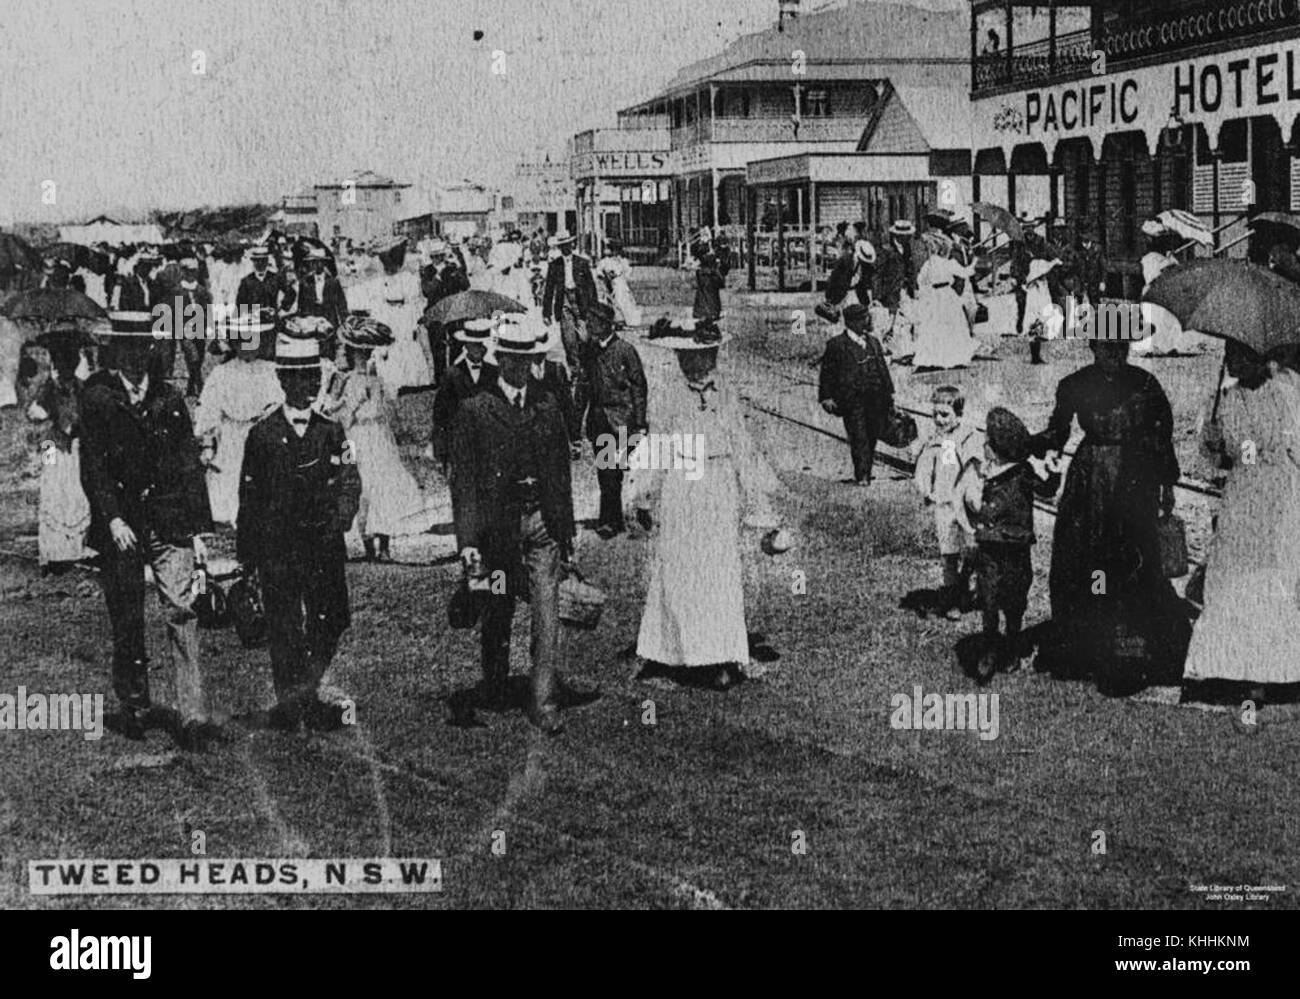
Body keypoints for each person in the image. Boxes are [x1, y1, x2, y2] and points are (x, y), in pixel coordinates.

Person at [79, 311, 218, 749]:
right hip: (122, 525)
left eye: (144, 347)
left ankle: (192, 715)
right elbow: (94, 467)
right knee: (127, 618)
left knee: (182, 610)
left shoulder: (170, 399)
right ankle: (136, 702)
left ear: (152, 349)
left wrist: (197, 530)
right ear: (116, 351)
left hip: (167, 520)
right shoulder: (98, 397)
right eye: (128, 347)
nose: (137, 355)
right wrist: (113, 518)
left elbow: (187, 467)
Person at [1028, 338, 1191, 692]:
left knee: (1131, 560)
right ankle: (1088, 645)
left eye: (1121, 348)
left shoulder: (1146, 384)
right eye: (1107, 348)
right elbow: (1058, 431)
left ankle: (1130, 650)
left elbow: (1163, 435)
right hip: (1090, 482)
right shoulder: (1075, 383)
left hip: (1135, 480)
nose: (1114, 356)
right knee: (1089, 561)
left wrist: (1166, 483)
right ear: (1093, 347)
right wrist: (1034, 446)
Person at [630, 324, 785, 690]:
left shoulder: (726, 394)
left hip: (718, 489)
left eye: (701, 356)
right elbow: (656, 446)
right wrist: (641, 495)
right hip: (683, 488)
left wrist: (764, 507)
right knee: (679, 570)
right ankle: (670, 657)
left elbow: (743, 447)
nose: (694, 364)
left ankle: (721, 657)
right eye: (686, 357)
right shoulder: (668, 395)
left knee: (719, 573)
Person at [450, 324, 579, 735]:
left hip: (543, 524)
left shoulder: (548, 407)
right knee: (499, 606)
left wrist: (567, 530)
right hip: (497, 530)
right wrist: (468, 542)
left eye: (528, 358)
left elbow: (562, 472)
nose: (522, 367)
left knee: (546, 613)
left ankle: (544, 701)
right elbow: (464, 481)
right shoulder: (475, 410)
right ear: (499, 360)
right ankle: (494, 683)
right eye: (514, 358)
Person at [237, 331, 361, 734]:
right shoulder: (263, 434)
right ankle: (293, 704)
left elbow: (349, 478)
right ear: (282, 380)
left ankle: (303, 689)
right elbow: (249, 496)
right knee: (284, 623)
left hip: (323, 543)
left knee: (333, 618)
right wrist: (248, 557)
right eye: (296, 377)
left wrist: (341, 515)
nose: (305, 385)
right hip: (279, 546)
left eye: (311, 377)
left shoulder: (332, 430)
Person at [1183, 341, 1300, 697]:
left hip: (1277, 492)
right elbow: (1217, 457)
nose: (1229, 361)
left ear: (1257, 357)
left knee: (1272, 574)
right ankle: (1226, 666)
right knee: (1232, 574)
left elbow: (1288, 443)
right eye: (1227, 354)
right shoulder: (1225, 398)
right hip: (1241, 495)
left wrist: (1245, 447)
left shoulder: (1286, 390)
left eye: (1237, 354)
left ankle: (1272, 669)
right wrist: (1214, 442)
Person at [959, 407, 1058, 681]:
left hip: (1016, 547)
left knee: (1015, 597)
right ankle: (990, 646)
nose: (984, 446)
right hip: (989, 547)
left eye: (988, 442)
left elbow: (1047, 490)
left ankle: (1012, 644)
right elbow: (976, 505)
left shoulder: (1023, 473)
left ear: (1000, 447)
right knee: (988, 598)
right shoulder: (985, 471)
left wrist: (1054, 470)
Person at [333, 317, 441, 559]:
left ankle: (384, 544)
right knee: (362, 487)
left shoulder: (378, 381)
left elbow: (390, 414)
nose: (364, 358)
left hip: (379, 437)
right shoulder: (347, 382)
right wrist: (355, 403)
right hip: (356, 437)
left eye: (366, 353)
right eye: (360, 354)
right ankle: (369, 544)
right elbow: (343, 419)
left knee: (385, 486)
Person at [194, 313, 283, 525]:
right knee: (232, 473)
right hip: (232, 434)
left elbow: (279, 400)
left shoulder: (269, 370)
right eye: (243, 339)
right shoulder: (222, 373)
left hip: (260, 431)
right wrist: (208, 442)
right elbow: (209, 409)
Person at [914, 385, 983, 619]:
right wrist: (927, 490)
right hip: (945, 505)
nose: (939, 420)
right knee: (949, 553)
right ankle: (952, 598)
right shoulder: (936, 442)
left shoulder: (969, 437)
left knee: (975, 549)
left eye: (944, 415)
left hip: (968, 505)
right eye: (935, 414)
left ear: (959, 415)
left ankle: (969, 585)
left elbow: (978, 466)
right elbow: (925, 470)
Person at [26, 329, 92, 571]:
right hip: (52, 443)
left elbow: (87, 413)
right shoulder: (48, 388)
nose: (66, 367)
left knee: (75, 488)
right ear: (55, 362)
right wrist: (50, 414)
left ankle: (75, 545)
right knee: (54, 485)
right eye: (61, 361)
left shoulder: (81, 387)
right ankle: (54, 549)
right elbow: (34, 415)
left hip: (74, 444)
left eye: (70, 361)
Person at [583, 301, 648, 538]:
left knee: (615, 471)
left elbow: (639, 388)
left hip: (622, 419)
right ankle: (611, 519)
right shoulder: (589, 351)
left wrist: (639, 423)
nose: (589, 326)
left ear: (606, 325)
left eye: (593, 323)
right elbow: (585, 386)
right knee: (606, 472)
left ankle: (615, 519)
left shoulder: (625, 350)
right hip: (599, 419)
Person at [818, 302, 893, 486]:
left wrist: (890, 395)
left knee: (872, 434)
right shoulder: (837, 345)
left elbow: (883, 370)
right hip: (852, 401)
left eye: (866, 317)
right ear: (851, 322)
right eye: (863, 319)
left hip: (876, 398)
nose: (867, 321)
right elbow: (827, 373)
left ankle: (866, 470)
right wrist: (826, 397)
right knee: (858, 436)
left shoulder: (873, 342)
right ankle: (862, 475)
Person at [1133, 223, 1209, 358]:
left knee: (1169, 321)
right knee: (1153, 320)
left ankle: (1168, 346)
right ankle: (1149, 348)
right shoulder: (1150, 258)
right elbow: (1154, 276)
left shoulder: (1168, 256)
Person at [431, 318, 497, 470]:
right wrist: (441, 452)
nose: (478, 350)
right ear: (466, 346)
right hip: (459, 441)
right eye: (474, 345)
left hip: (487, 440)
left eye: (481, 345)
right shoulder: (452, 374)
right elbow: (440, 415)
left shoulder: (492, 373)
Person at [912, 235, 978, 370]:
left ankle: (934, 358)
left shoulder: (929, 264)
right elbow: (965, 273)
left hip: (935, 296)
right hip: (947, 295)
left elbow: (920, 281)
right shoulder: (948, 263)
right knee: (952, 326)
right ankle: (954, 357)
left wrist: (926, 291)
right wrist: (974, 262)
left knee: (934, 326)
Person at [872, 220, 920, 360]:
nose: (908, 238)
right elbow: (877, 274)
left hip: (904, 290)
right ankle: (886, 349)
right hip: (890, 290)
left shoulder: (907, 248)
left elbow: (910, 269)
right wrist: (876, 296)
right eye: (905, 235)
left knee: (907, 320)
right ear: (897, 235)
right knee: (889, 321)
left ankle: (905, 350)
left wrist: (913, 285)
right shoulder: (886, 251)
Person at [170, 256, 213, 397]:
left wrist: (209, 325)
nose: (191, 274)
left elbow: (208, 309)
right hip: (184, 329)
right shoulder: (177, 291)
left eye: (193, 271)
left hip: (200, 327)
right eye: (188, 271)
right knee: (191, 355)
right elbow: (175, 311)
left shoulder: (201, 290)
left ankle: (191, 385)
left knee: (199, 357)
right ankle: (199, 384)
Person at [296, 246, 349, 330]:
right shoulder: (305, 282)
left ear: (324, 263)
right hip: (311, 318)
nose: (315, 265)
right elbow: (301, 304)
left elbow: (341, 303)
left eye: (318, 262)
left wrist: (344, 321)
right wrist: (302, 319)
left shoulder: (333, 282)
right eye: (313, 262)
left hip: (329, 317)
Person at [1020, 258, 1060, 365]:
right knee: (1034, 332)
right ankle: (1035, 357)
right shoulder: (1034, 287)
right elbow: (1034, 304)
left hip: (1041, 312)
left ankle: (1036, 356)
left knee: (1038, 333)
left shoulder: (1043, 283)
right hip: (1035, 313)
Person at [596, 239, 642, 328]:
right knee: (614, 301)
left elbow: (628, 273)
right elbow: (599, 273)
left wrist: (621, 275)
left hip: (621, 283)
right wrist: (606, 276)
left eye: (616, 250)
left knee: (624, 300)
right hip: (612, 283)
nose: (614, 252)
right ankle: (617, 320)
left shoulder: (622, 261)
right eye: (613, 249)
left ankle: (628, 320)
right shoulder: (605, 261)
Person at [822, 238, 876, 314]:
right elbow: (833, 279)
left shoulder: (864, 267)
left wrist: (866, 305)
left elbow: (862, 287)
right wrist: (829, 299)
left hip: (852, 293)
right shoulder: (845, 261)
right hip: (839, 292)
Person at [693, 249, 727, 322]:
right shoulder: (714, 274)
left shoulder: (700, 273)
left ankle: (704, 315)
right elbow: (721, 284)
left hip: (701, 310)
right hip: (713, 309)